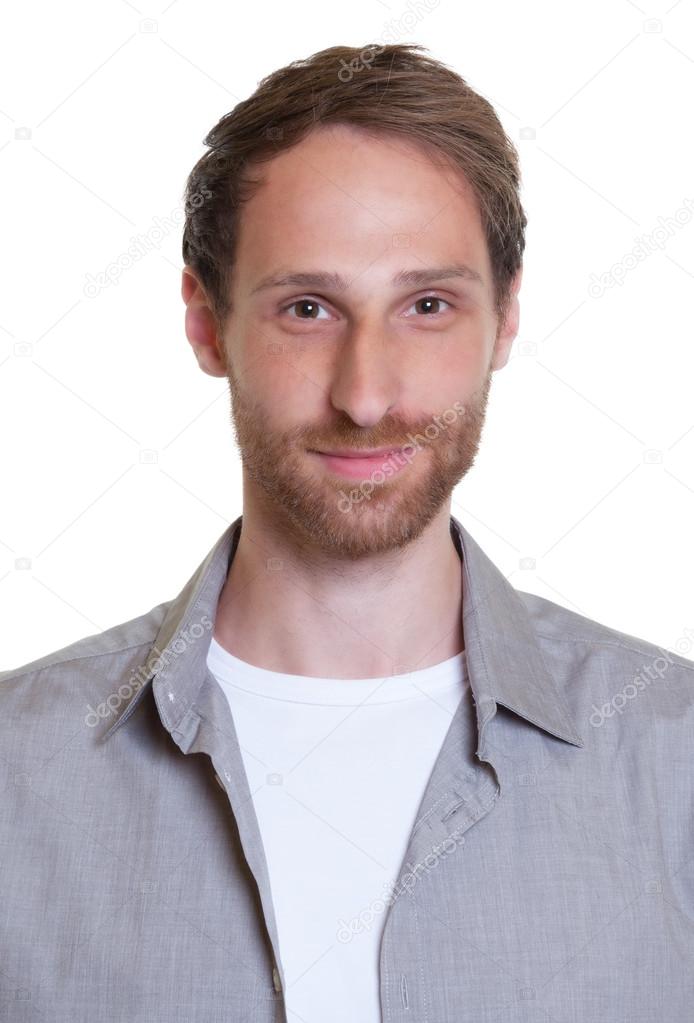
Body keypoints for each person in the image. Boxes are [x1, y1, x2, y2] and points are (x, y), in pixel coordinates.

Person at [2, 42, 692, 1023]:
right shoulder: (14, 778)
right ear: (206, 324)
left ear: (503, 323)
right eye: (308, 308)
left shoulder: (675, 761)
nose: (366, 397)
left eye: (426, 305)